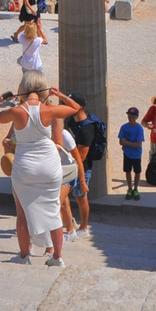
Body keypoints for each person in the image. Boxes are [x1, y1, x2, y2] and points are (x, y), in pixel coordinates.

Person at [0, 87, 78, 266]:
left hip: (25, 167)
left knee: (22, 214)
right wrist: (60, 95)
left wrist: (0, 100)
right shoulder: (50, 111)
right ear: (44, 95)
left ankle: (24, 255)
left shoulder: (16, 112)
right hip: (49, 166)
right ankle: (57, 257)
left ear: (22, 95)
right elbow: (76, 108)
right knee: (53, 212)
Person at [65, 96, 106, 235]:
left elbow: (80, 157)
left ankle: (83, 228)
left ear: (79, 107)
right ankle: (70, 221)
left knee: (80, 197)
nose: (67, 106)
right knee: (63, 195)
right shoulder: (71, 121)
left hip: (83, 167)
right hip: (70, 164)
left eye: (70, 104)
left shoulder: (87, 129)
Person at [57, 119, 86, 241]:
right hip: (55, 172)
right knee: (63, 203)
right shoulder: (44, 132)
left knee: (55, 203)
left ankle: (55, 236)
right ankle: (71, 231)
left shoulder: (65, 135)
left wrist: (83, 181)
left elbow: (78, 159)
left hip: (67, 173)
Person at [119, 106, 145, 199]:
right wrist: (128, 143)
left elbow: (138, 144)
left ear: (136, 117)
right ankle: (129, 188)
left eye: (133, 117)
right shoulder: (124, 127)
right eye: (129, 117)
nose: (131, 119)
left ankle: (136, 189)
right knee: (127, 171)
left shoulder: (139, 128)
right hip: (127, 154)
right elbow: (121, 142)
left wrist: (127, 142)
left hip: (136, 155)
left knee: (137, 172)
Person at [16, 21, 47, 94]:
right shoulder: (37, 40)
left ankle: (18, 98)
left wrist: (28, 28)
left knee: (23, 82)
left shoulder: (22, 38)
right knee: (39, 82)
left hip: (25, 63)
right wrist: (40, 29)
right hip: (35, 64)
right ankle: (41, 98)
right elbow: (45, 40)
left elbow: (24, 35)